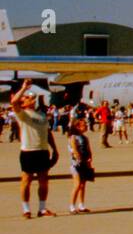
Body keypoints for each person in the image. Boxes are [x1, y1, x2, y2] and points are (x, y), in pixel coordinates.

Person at [11, 80, 59, 218]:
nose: (30, 99)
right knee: (26, 180)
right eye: (27, 98)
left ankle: (42, 209)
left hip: (42, 151)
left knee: (43, 181)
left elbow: (48, 133)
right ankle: (26, 209)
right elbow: (14, 102)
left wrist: (55, 149)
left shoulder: (42, 115)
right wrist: (24, 88)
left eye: (31, 97)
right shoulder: (22, 114)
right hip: (28, 151)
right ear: (23, 103)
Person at [67, 117, 94, 213]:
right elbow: (74, 149)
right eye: (84, 125)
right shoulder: (73, 137)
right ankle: (72, 206)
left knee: (83, 185)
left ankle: (81, 205)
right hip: (76, 164)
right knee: (77, 184)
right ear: (77, 127)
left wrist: (90, 158)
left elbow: (88, 149)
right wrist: (78, 158)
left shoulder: (85, 138)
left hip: (85, 163)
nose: (86, 126)